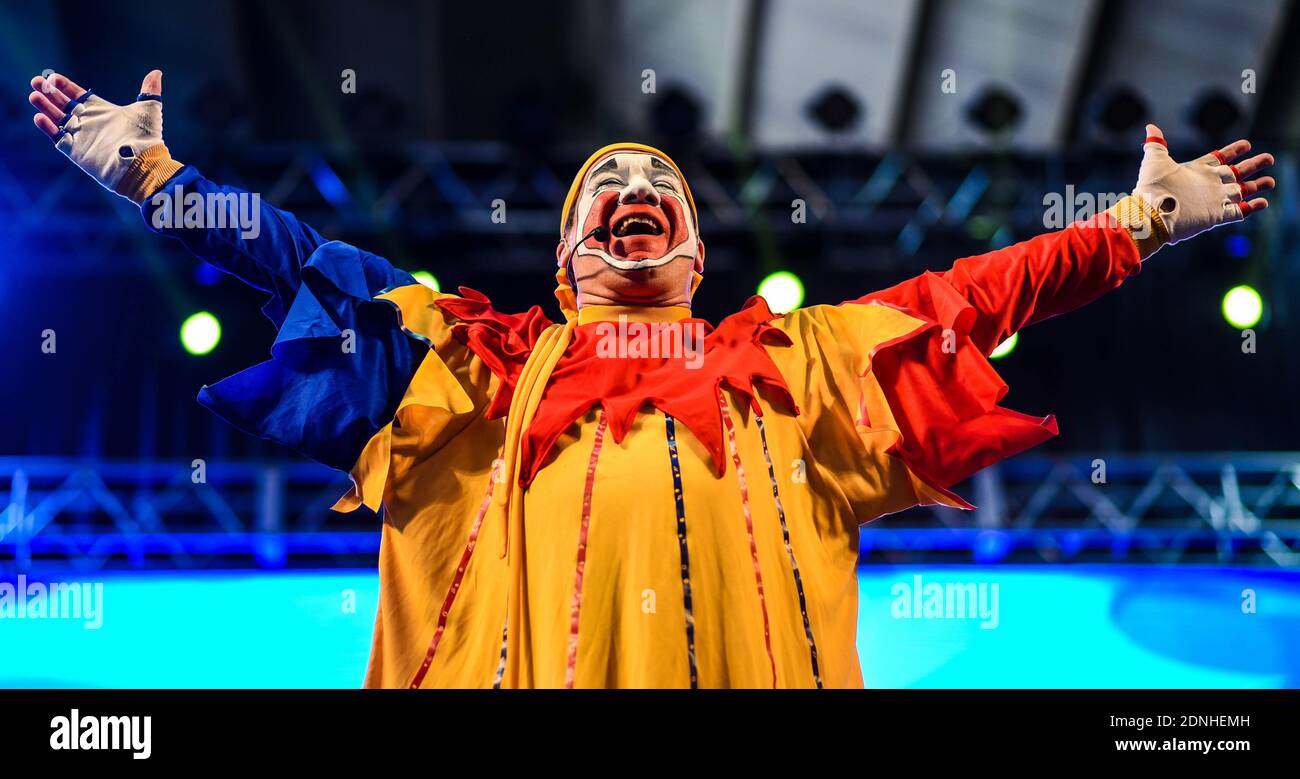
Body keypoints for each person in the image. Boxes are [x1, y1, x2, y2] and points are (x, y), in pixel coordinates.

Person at [29, 69, 1275, 688]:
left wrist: (1132, 227)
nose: (634, 198)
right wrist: (160, 182)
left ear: (690, 253)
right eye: (604, 196)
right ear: (567, 259)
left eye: (660, 194)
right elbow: (297, 259)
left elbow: (976, 294)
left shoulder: (798, 364)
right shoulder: (472, 365)